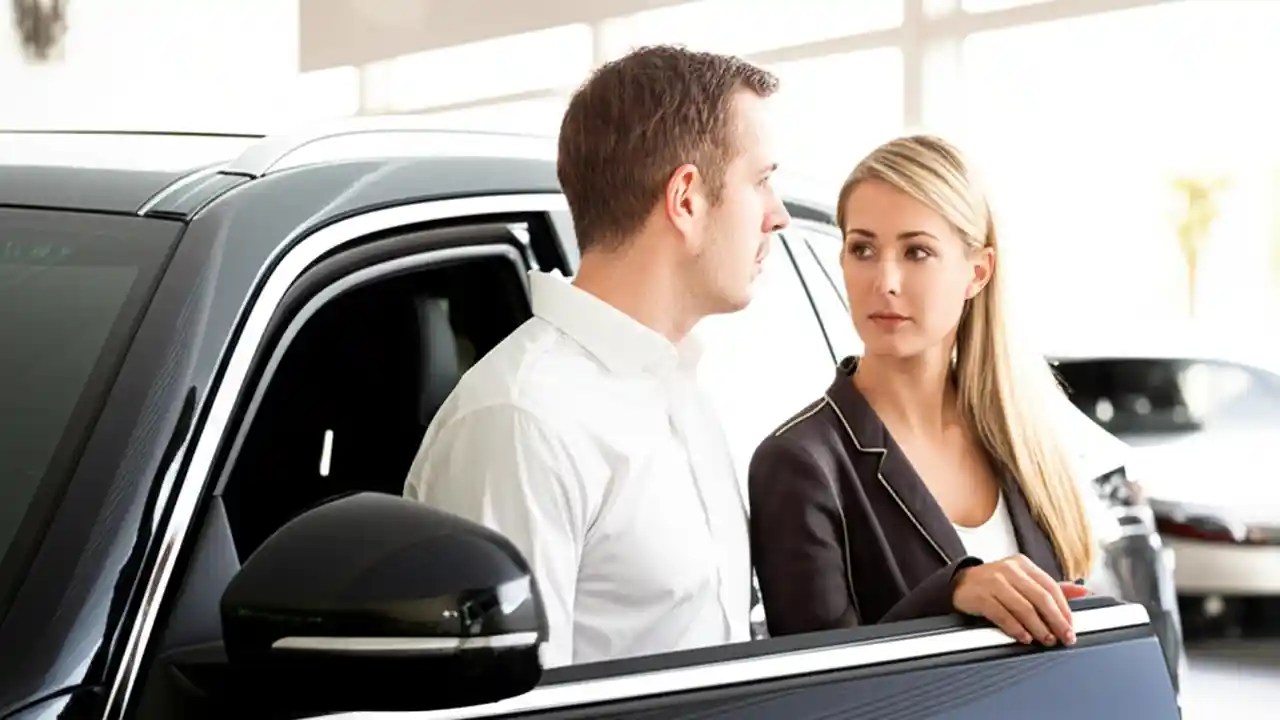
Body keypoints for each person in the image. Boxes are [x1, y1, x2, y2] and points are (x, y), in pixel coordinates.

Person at [403, 45, 791, 668]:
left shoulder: (678, 392)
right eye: (762, 180)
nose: (779, 216)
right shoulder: (519, 422)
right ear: (686, 199)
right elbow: (515, 712)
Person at [748, 134, 1098, 648]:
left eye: (917, 252)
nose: (885, 280)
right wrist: (953, 593)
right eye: (862, 249)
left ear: (977, 273)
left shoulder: (1026, 437)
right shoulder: (799, 464)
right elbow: (822, 691)